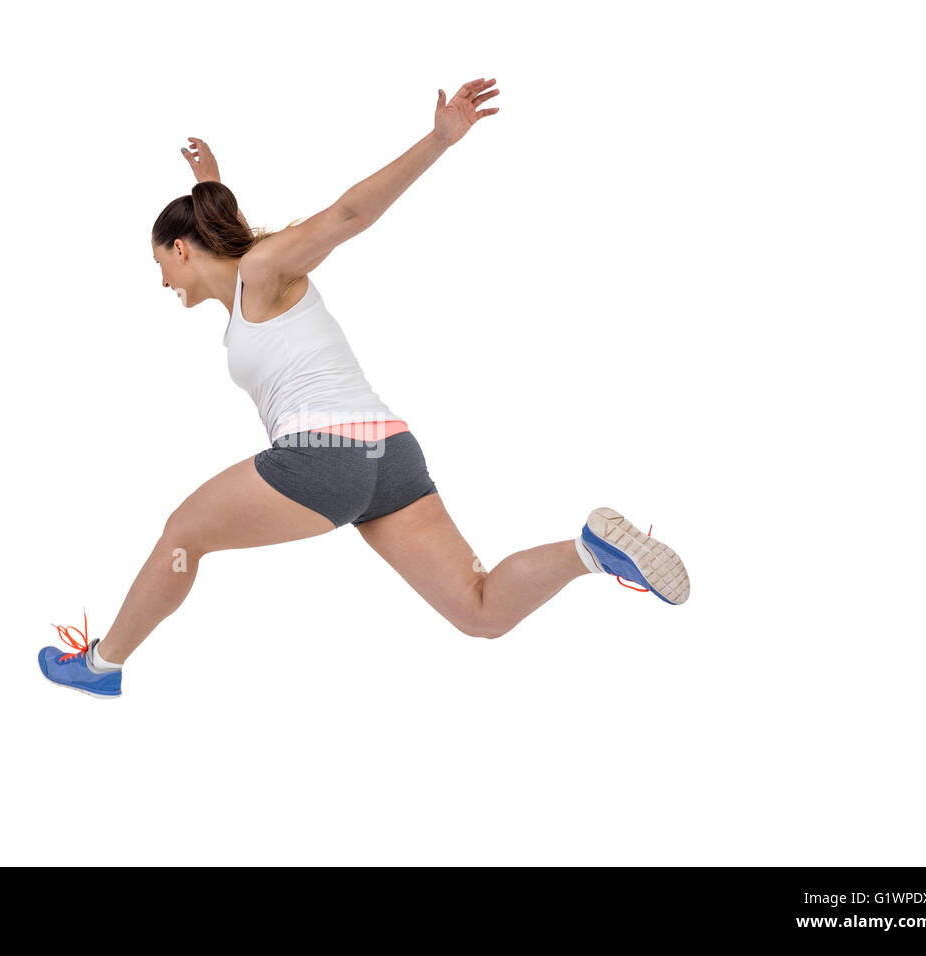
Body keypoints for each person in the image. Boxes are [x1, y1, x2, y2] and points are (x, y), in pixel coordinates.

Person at [38, 77, 690, 699]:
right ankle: (591, 552)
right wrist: (208, 179)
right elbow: (218, 228)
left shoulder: (263, 271)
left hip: (326, 456)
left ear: (181, 248)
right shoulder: (247, 293)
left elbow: (347, 214)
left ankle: (101, 665)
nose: (162, 284)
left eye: (161, 264)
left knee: (183, 533)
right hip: (391, 459)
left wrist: (438, 140)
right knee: (479, 610)